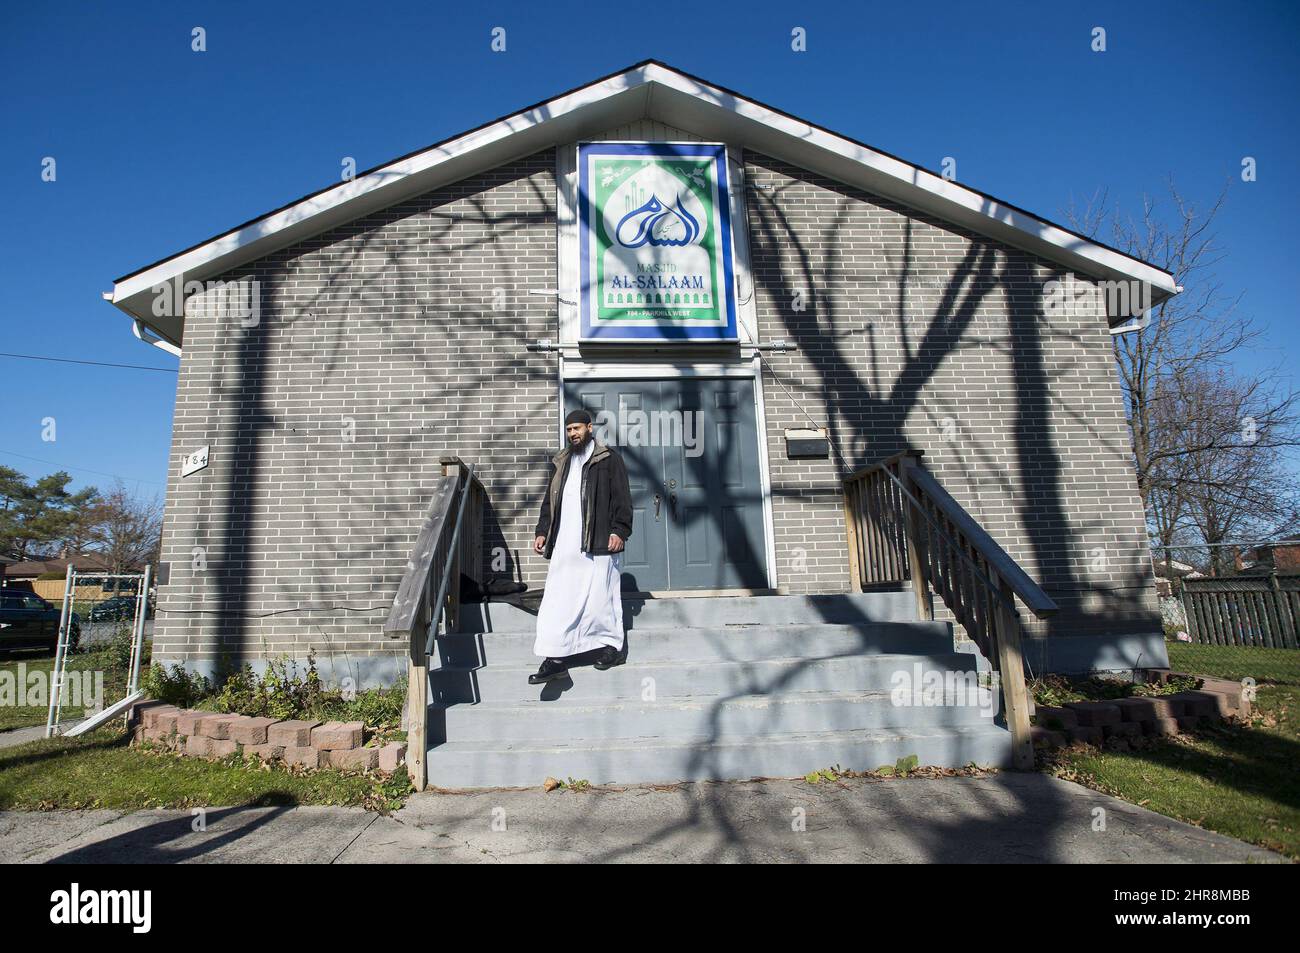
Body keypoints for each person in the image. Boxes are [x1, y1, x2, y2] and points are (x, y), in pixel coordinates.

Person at [529, 409, 633, 684]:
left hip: (599, 540)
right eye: (568, 430)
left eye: (577, 428)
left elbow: (622, 498)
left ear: (589, 428)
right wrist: (542, 531)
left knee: (602, 598)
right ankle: (555, 658)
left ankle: (611, 647)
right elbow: (549, 502)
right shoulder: (561, 462)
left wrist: (619, 530)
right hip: (565, 543)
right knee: (558, 598)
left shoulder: (609, 460)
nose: (572, 433)